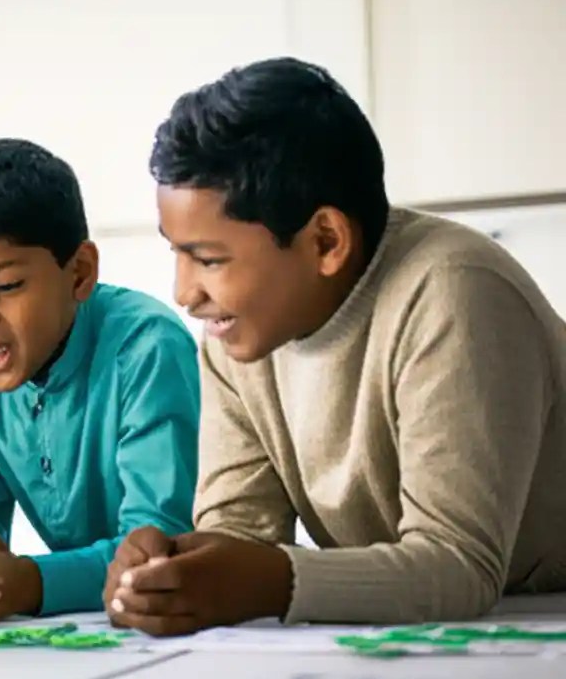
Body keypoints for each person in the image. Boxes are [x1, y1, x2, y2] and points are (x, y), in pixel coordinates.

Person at [109, 56, 566, 636]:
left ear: (326, 240)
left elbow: (460, 566)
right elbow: (240, 538)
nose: (183, 293)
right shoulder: (236, 334)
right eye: (177, 253)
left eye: (208, 259)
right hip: (453, 628)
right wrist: (171, 570)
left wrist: (272, 581)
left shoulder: (456, 290)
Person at [0, 138, 201, 626]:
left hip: (176, 624)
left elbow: (158, 544)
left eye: (5, 287)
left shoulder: (148, 347)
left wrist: (29, 582)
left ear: (80, 273)